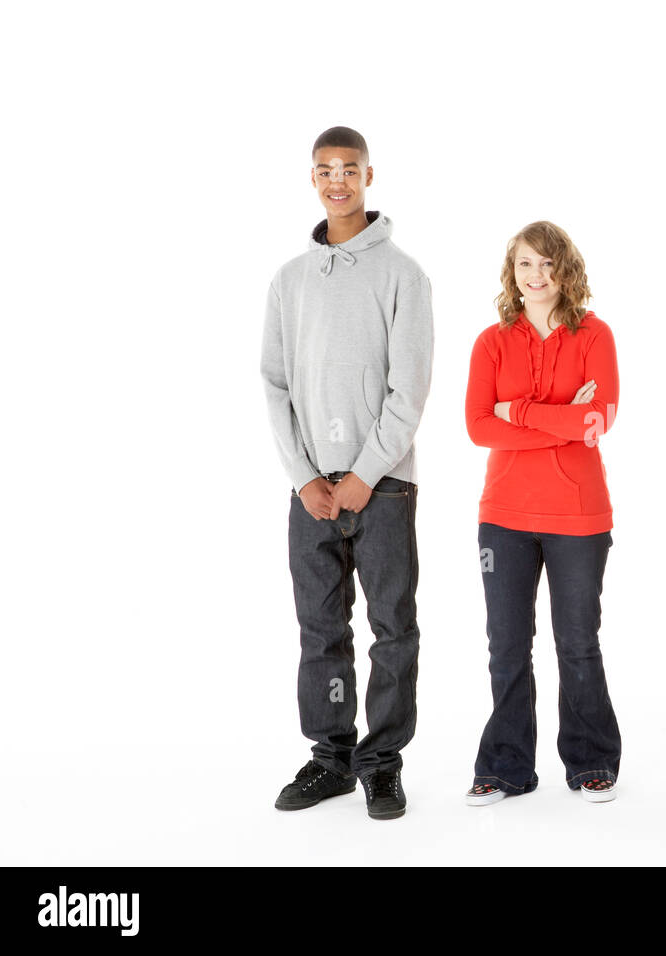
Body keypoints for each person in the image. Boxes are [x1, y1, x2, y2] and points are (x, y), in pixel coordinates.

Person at [261, 126, 434, 820]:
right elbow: (274, 383)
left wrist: (364, 473)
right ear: (313, 179)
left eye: (350, 169)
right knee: (321, 630)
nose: (338, 181)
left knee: (393, 627)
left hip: (384, 486)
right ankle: (331, 759)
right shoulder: (289, 281)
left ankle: (382, 762)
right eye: (325, 170)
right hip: (311, 488)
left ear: (369, 176)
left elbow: (409, 389)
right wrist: (304, 477)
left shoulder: (403, 275)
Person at [463, 221, 622, 805]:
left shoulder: (595, 336)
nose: (537, 276)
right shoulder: (490, 342)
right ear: (513, 271)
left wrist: (518, 410)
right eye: (527, 264)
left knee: (577, 642)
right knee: (506, 645)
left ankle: (591, 762)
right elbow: (479, 426)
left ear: (566, 270)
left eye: (548, 264)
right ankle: (505, 768)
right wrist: (559, 420)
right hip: (502, 516)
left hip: (579, 517)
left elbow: (598, 421)